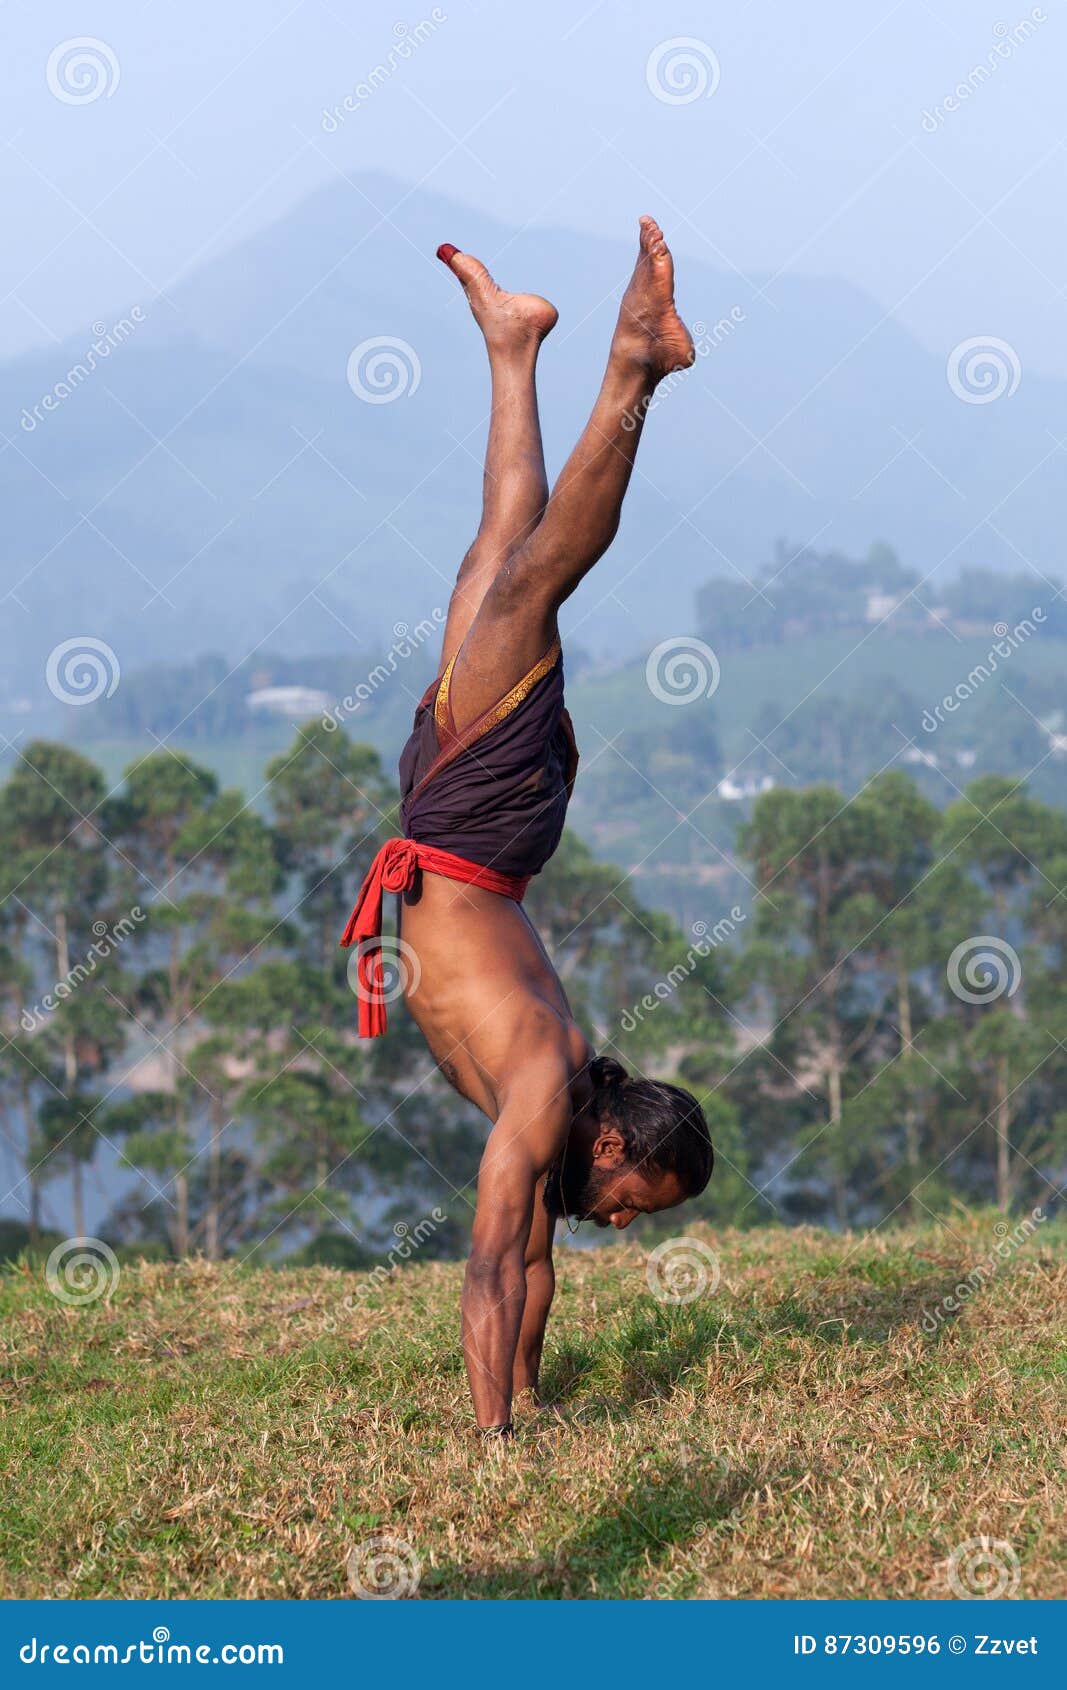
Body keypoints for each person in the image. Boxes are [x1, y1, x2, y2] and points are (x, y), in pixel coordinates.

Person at [341, 217, 713, 1439]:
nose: (618, 1220)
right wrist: (493, 1443)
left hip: (461, 823)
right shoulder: (548, 1090)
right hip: (480, 821)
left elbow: (533, 1261)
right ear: (607, 1135)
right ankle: (631, 367)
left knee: (494, 556)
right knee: (534, 577)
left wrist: (531, 1391)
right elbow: (489, 1265)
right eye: (629, 1197)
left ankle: (511, 351)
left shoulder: (551, 1114)